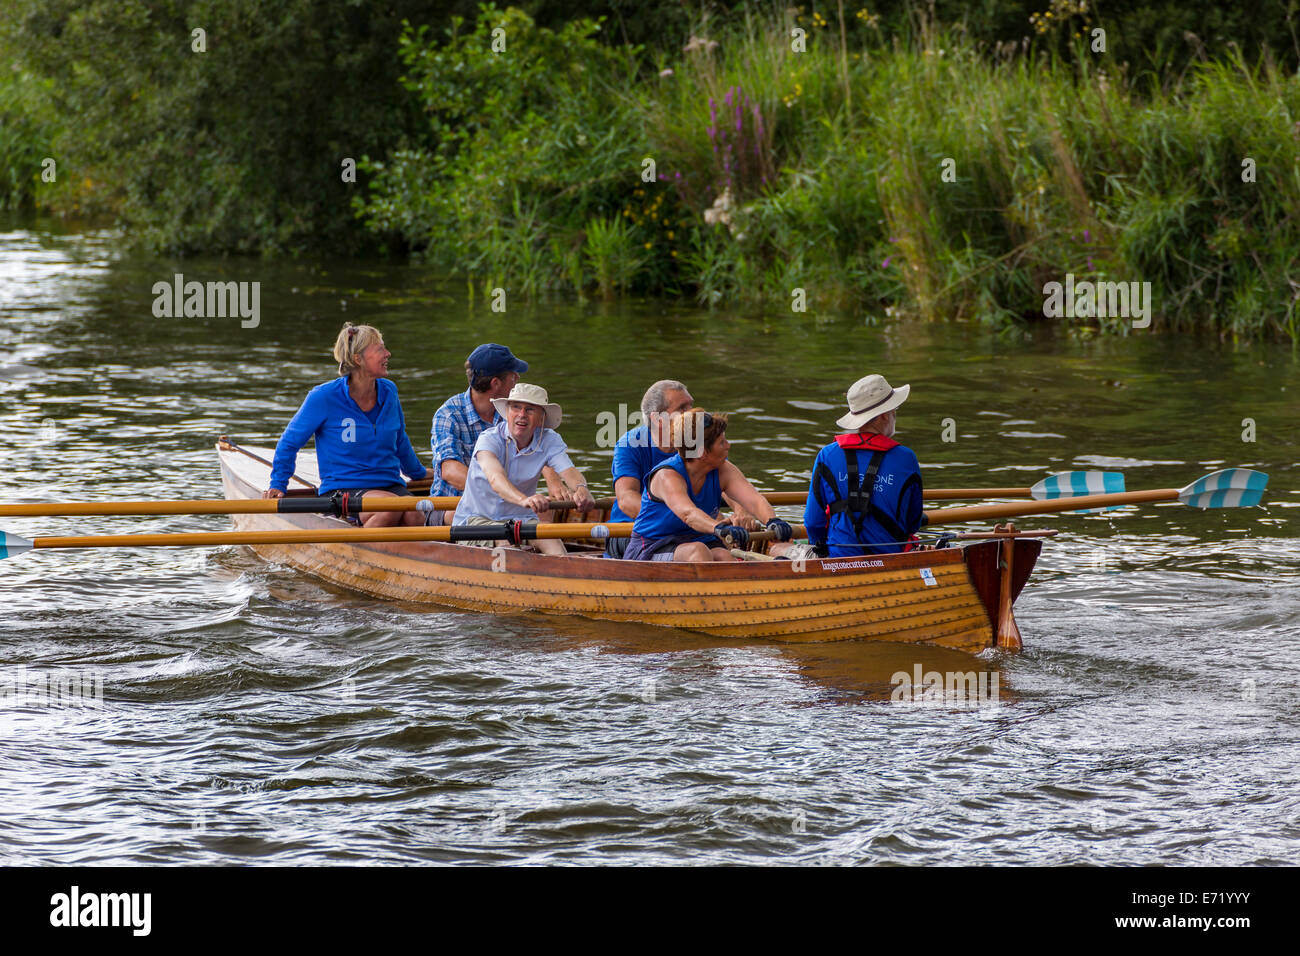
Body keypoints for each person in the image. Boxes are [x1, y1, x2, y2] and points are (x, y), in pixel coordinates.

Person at [263, 323, 429, 527]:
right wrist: (278, 484)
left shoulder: (389, 391)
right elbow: (289, 443)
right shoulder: (323, 397)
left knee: (416, 514)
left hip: (389, 484)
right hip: (343, 488)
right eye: (380, 349)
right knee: (388, 509)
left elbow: (400, 440)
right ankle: (360, 556)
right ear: (358, 359)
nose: (388, 353)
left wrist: (419, 473)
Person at [625, 410, 793, 562]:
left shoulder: (722, 469)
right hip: (652, 548)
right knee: (698, 552)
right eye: (722, 442)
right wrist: (719, 528)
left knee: (724, 556)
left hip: (698, 539)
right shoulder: (667, 476)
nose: (728, 445)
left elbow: (754, 500)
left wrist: (773, 520)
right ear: (702, 452)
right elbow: (688, 514)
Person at [452, 383, 596, 555]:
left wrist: (581, 488)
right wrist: (523, 500)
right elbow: (496, 479)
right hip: (475, 521)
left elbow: (568, 470)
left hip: (521, 520)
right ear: (507, 412)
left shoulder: (549, 440)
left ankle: (566, 579)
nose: (521, 415)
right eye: (516, 407)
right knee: (506, 543)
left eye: (530, 410)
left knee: (551, 538)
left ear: (541, 418)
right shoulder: (488, 440)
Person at [429, 343, 562, 523]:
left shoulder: (515, 414)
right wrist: (504, 493)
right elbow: (450, 472)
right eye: (512, 375)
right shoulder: (447, 415)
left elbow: (538, 446)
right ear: (496, 383)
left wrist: (555, 482)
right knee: (471, 517)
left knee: (545, 512)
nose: (518, 377)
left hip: (507, 501)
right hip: (451, 506)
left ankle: (537, 549)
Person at [803, 374, 924, 557]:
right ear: (884, 415)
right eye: (894, 409)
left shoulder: (826, 455)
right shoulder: (906, 459)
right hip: (890, 560)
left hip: (839, 562)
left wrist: (821, 551)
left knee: (778, 549)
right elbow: (913, 523)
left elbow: (813, 523)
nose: (895, 415)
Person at [605, 379, 694, 557]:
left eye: (691, 406)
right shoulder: (630, 444)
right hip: (628, 531)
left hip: (685, 524)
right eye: (682, 409)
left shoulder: (698, 442)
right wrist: (680, 518)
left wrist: (740, 511)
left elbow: (725, 483)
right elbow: (626, 500)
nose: (692, 413)